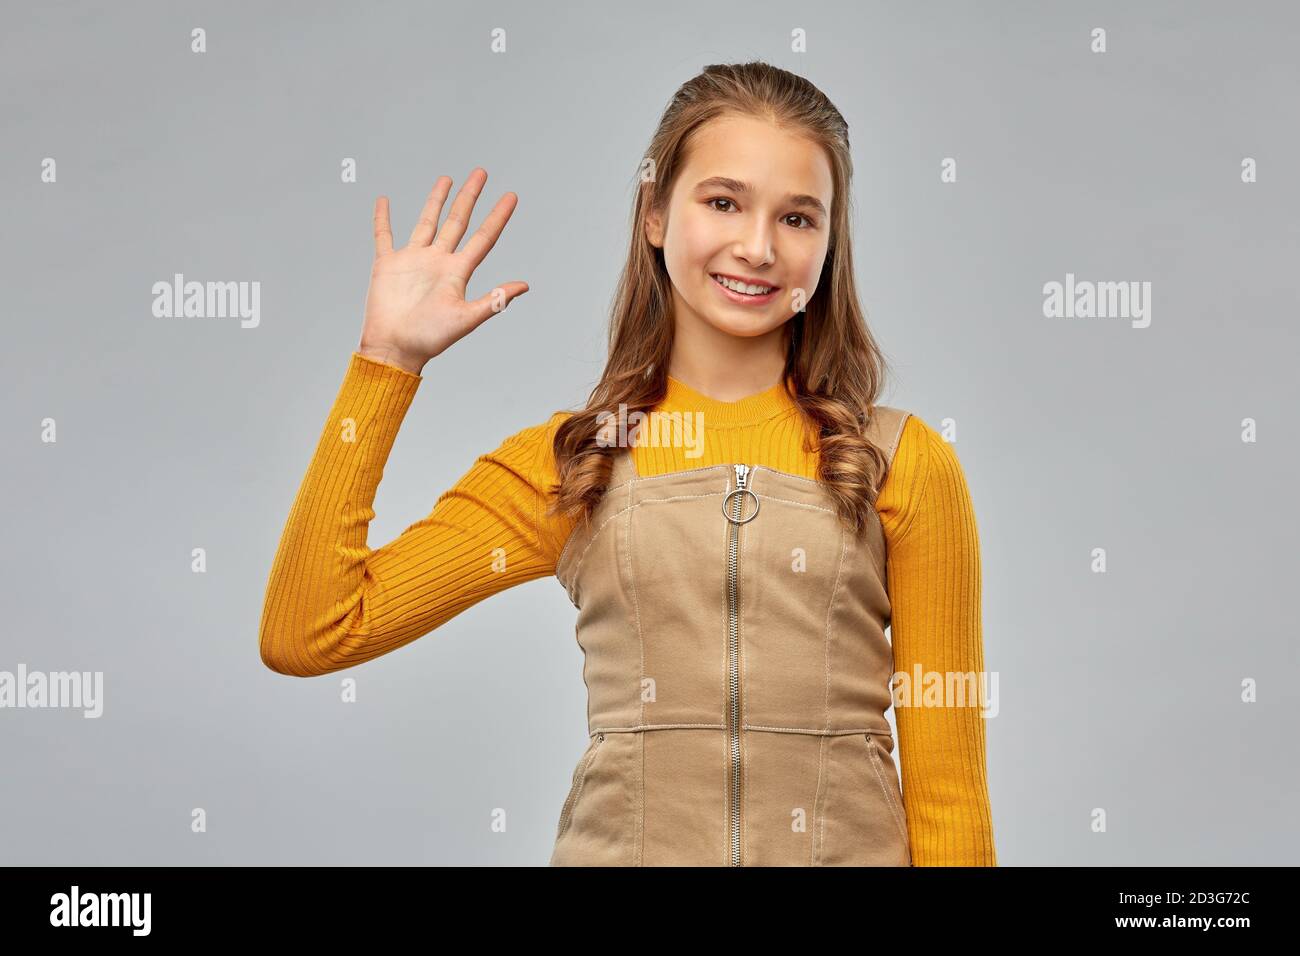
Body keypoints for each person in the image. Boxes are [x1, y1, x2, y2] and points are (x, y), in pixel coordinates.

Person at [259, 61, 996, 867]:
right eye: (723, 202)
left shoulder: (898, 461)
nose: (757, 247)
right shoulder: (574, 462)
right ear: (654, 214)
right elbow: (311, 632)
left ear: (829, 243)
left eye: (798, 218)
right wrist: (385, 362)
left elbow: (947, 792)